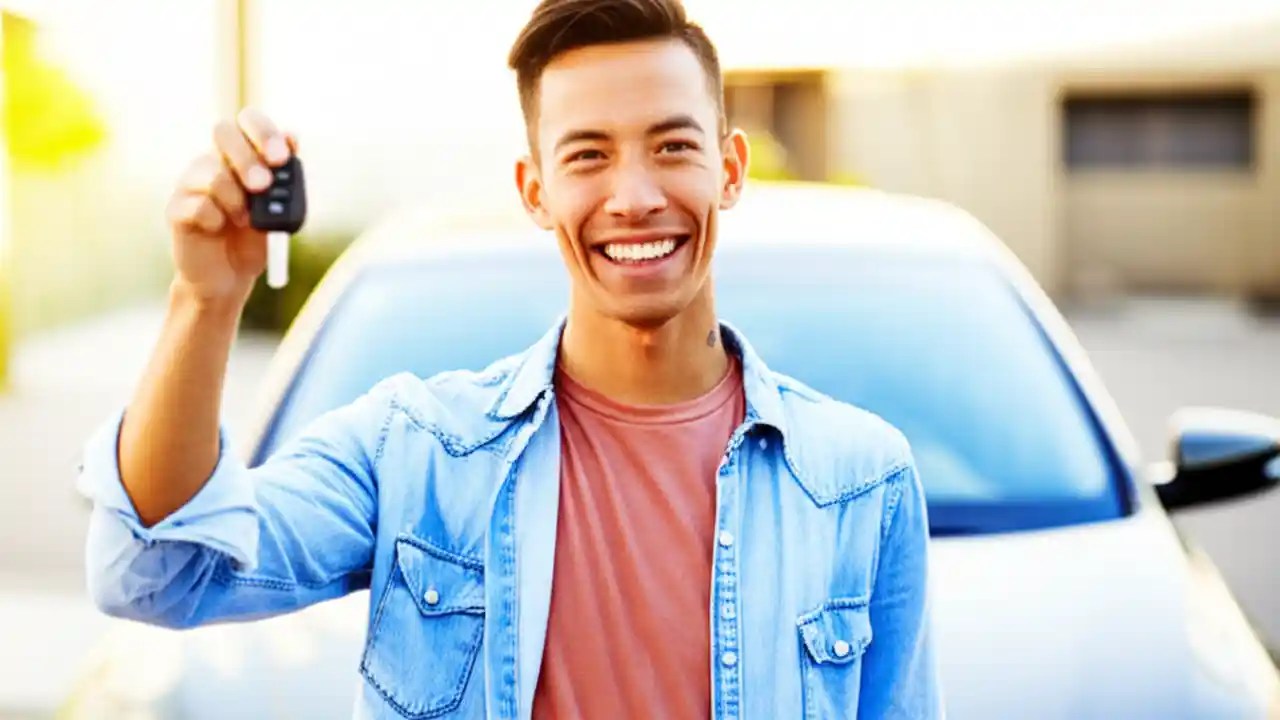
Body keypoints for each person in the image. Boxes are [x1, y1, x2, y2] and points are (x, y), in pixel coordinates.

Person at [78, 0, 942, 717]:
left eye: (673, 146)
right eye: (588, 155)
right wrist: (206, 298)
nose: (635, 197)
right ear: (535, 190)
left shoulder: (865, 480)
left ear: (731, 169)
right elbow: (159, 572)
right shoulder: (412, 449)